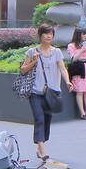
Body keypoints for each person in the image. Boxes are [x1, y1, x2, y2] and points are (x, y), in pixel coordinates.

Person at [19, 24, 71, 160]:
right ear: (40, 35)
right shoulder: (32, 52)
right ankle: (42, 149)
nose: (48, 36)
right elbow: (23, 70)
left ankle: (39, 145)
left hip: (51, 92)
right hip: (35, 92)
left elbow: (62, 68)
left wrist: (67, 81)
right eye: (46, 33)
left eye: (51, 34)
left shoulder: (57, 52)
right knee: (39, 119)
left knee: (47, 120)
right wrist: (34, 61)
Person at [67, 28, 86, 119]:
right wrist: (82, 51)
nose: (85, 36)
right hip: (78, 70)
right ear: (78, 34)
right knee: (79, 91)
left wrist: (80, 56)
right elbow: (73, 58)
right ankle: (82, 112)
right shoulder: (71, 45)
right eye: (83, 34)